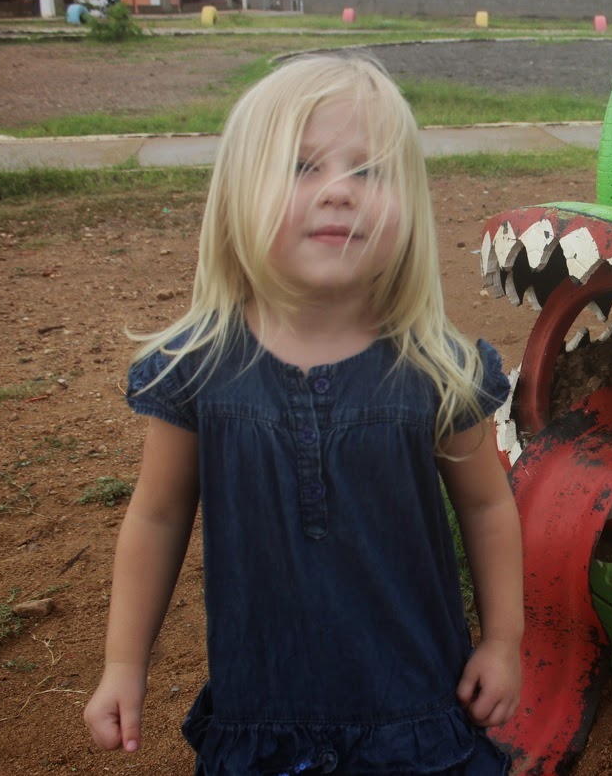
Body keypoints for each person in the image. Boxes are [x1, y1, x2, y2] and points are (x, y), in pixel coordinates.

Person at [83, 52, 523, 774]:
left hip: (417, 713)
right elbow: (158, 514)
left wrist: (503, 641)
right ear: (236, 196)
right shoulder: (196, 365)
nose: (339, 192)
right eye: (302, 167)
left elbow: (487, 508)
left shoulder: (439, 368)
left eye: (368, 170)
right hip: (261, 719)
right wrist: (124, 662)